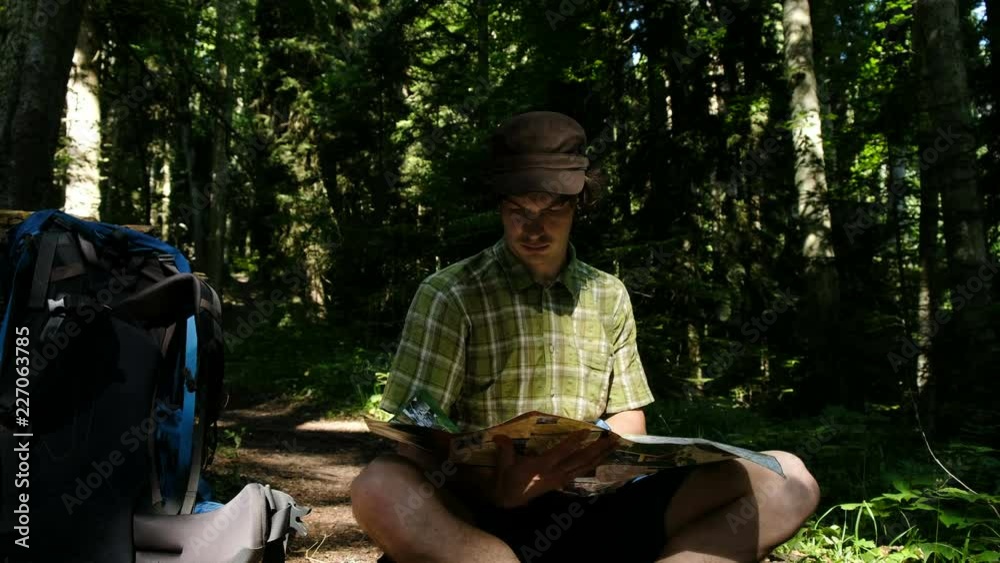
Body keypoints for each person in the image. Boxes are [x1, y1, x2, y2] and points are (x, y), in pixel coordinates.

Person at [350, 111, 821, 563]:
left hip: (594, 513)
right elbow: (416, 438)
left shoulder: (607, 294)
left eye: (552, 209)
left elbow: (628, 415)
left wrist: (604, 465)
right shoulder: (450, 294)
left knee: (789, 479)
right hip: (481, 521)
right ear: (499, 205)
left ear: (579, 203)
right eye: (518, 210)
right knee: (379, 487)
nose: (533, 228)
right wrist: (497, 489)